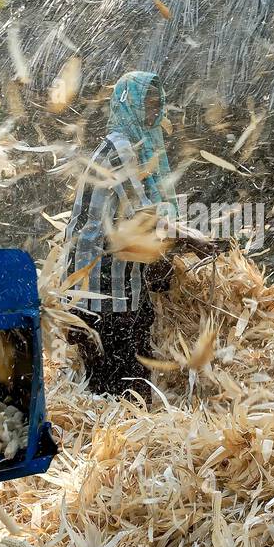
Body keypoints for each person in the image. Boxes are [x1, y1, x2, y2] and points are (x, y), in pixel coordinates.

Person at [64, 71, 173, 399]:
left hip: (117, 271)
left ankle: (129, 414)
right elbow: (144, 213)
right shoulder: (121, 148)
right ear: (130, 106)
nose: (153, 112)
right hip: (99, 277)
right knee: (119, 366)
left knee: (137, 344)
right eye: (147, 105)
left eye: (157, 105)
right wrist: (189, 241)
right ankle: (115, 425)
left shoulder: (139, 147)